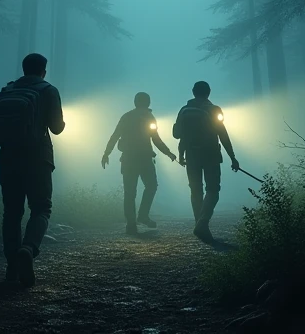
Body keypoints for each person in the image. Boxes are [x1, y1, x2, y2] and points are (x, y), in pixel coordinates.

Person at [0, 53, 65, 288]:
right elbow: (57, 128)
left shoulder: (6, 91)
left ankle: (12, 267)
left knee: (11, 213)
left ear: (24, 68)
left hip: (8, 158)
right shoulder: (48, 90)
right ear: (43, 71)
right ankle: (28, 249)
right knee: (41, 208)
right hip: (38, 158)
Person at [101, 92, 178, 235]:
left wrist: (106, 154)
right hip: (145, 159)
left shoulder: (126, 117)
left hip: (128, 159)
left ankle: (131, 224)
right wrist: (168, 153)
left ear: (135, 102)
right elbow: (156, 139)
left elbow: (115, 136)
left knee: (130, 192)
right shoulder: (149, 117)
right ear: (148, 103)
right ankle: (143, 215)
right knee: (151, 186)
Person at [172, 81, 240, 243]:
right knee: (213, 190)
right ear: (209, 92)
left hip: (191, 155)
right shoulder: (214, 110)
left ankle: (199, 224)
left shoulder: (184, 110)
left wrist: (181, 155)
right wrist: (232, 157)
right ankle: (202, 224)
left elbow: (177, 135)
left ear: (193, 92)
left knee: (196, 190)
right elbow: (223, 134)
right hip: (211, 155)